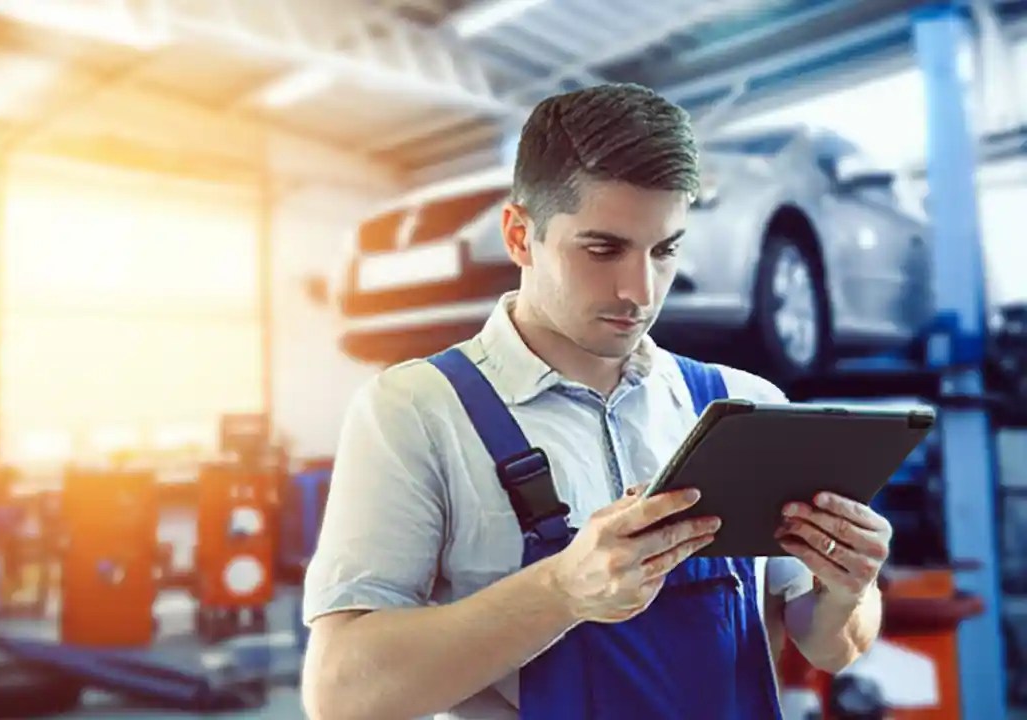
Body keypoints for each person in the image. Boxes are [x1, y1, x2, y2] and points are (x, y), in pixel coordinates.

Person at [300, 83, 891, 719]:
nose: (639, 291)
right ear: (520, 236)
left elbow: (830, 646)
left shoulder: (744, 405)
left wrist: (847, 590)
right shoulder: (414, 411)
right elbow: (342, 695)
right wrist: (560, 591)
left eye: (665, 251)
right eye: (603, 249)